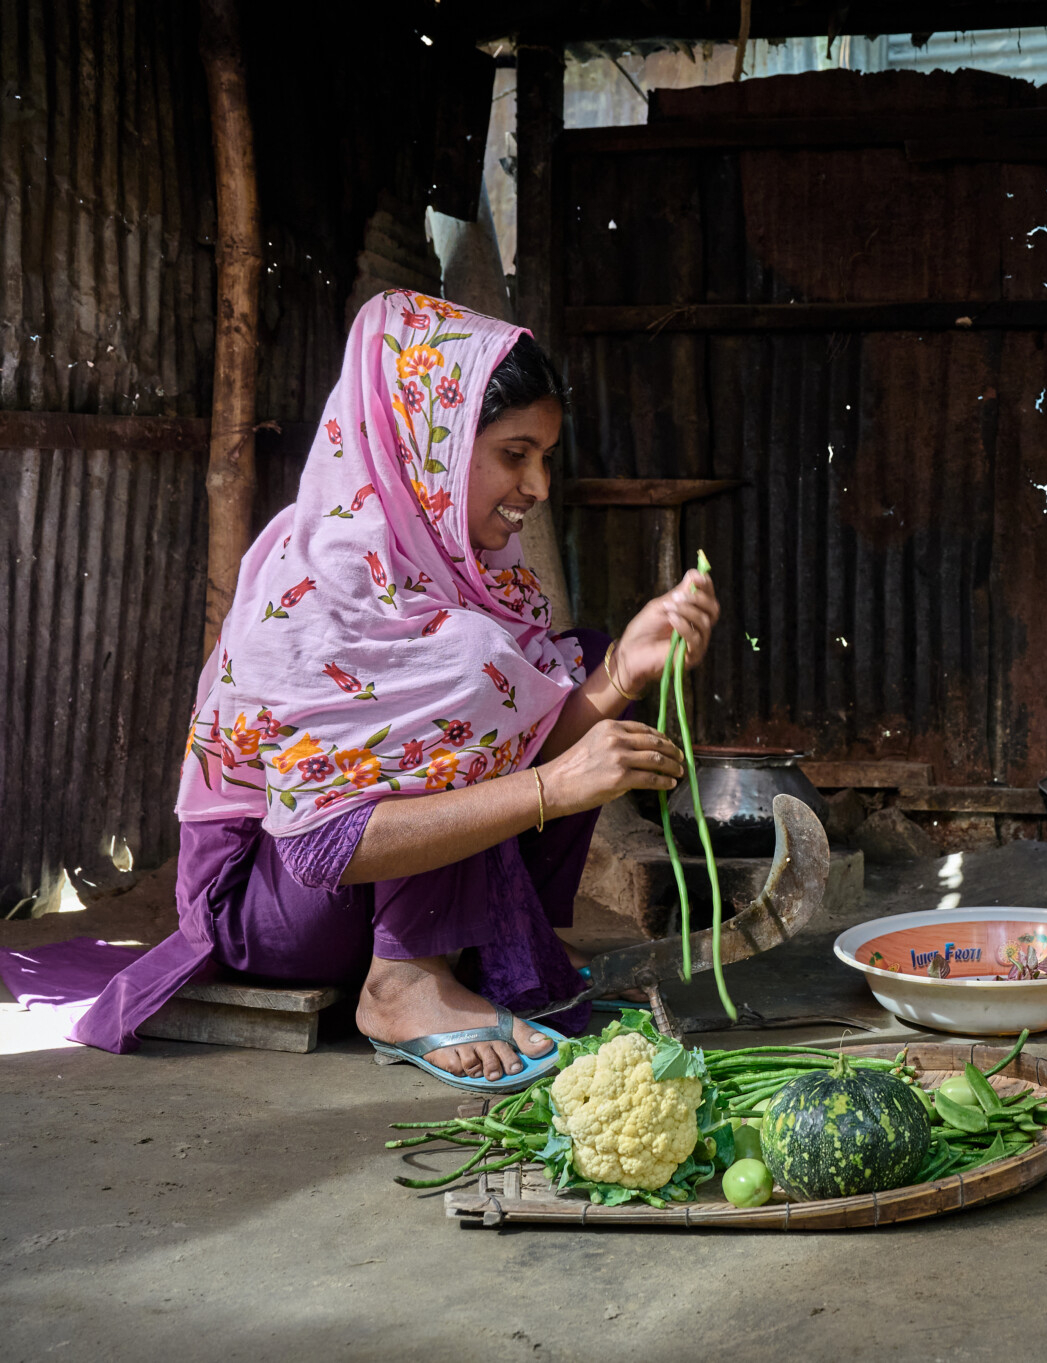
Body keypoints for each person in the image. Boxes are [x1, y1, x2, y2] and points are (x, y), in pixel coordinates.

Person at [75, 292, 720, 1090]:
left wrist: (622, 671)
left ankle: (485, 942)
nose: (539, 485)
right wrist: (556, 783)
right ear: (434, 447)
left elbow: (512, 742)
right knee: (471, 671)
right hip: (267, 905)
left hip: (346, 888)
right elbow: (318, 846)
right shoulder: (327, 573)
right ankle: (402, 982)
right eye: (516, 454)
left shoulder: (454, 568)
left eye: (546, 457)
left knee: (562, 659)